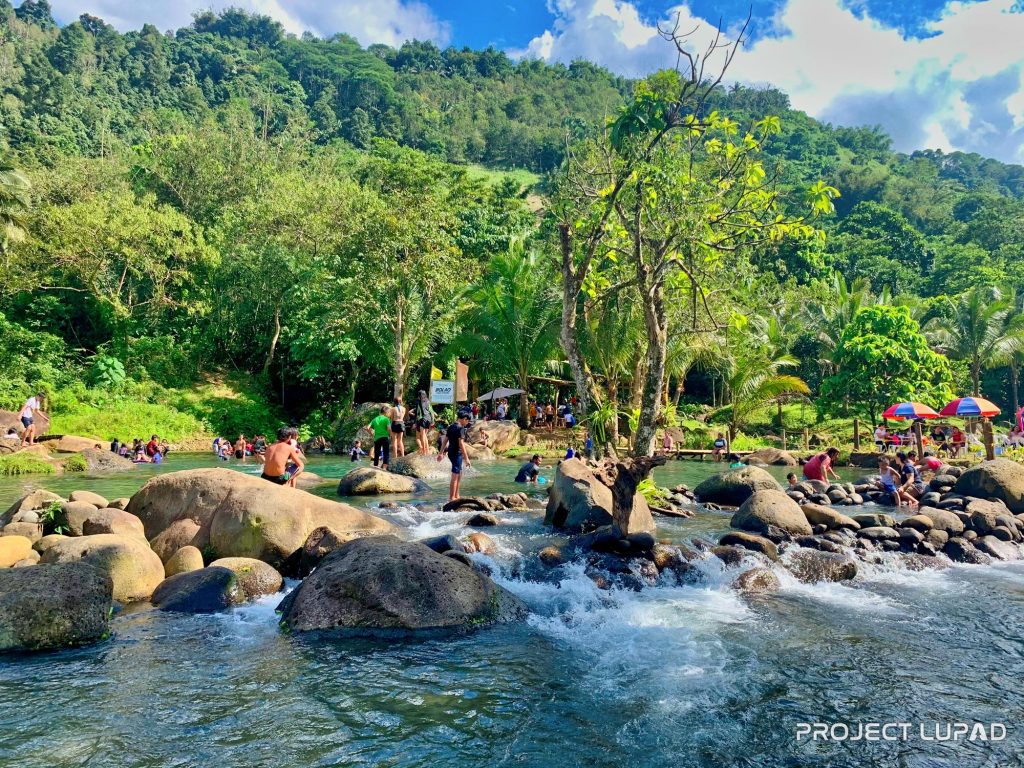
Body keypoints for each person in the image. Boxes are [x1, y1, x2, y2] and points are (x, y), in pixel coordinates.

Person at [438, 408, 472, 501]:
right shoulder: (460, 428)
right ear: (464, 418)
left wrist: (441, 453)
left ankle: (456, 495)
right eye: (467, 420)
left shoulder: (451, 426)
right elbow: (461, 444)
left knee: (459, 474)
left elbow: (445, 440)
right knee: (455, 475)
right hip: (457, 453)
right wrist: (467, 458)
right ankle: (452, 497)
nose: (467, 422)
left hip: (451, 452)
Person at [368, 406, 392, 470]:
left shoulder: (375, 419)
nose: (390, 414)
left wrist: (372, 434)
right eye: (389, 412)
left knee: (377, 453)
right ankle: (384, 468)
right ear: (386, 412)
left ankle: (375, 466)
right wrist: (391, 435)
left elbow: (367, 428)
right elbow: (389, 428)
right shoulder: (386, 419)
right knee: (386, 453)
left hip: (377, 438)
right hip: (385, 437)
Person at [415, 390, 435, 455]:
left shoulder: (418, 401)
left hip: (423, 419)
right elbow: (431, 411)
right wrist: (433, 421)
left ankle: (424, 451)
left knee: (423, 435)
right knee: (425, 436)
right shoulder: (428, 401)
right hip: (428, 419)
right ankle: (427, 451)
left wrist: (416, 422)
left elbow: (417, 412)